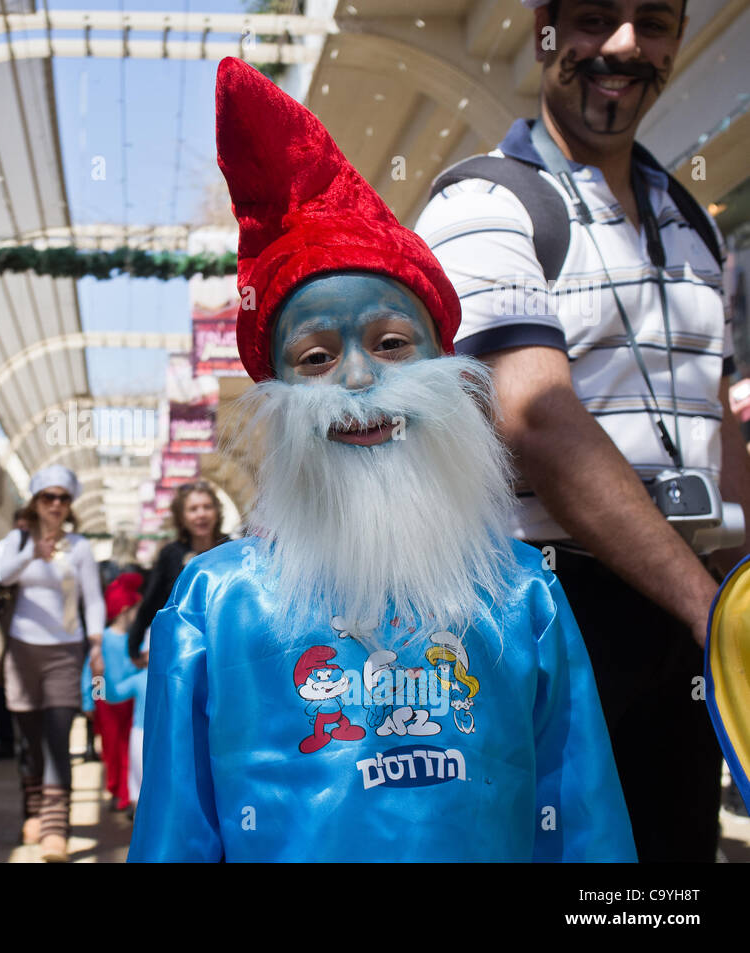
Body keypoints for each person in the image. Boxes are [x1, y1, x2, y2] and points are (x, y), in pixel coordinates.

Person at [127, 58, 635, 862]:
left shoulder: (525, 595)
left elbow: (585, 825)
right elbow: (176, 834)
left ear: (445, 367)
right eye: (319, 356)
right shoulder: (216, 603)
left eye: (393, 344)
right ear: (278, 395)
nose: (361, 379)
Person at [414, 0, 744, 862]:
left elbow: (717, 427)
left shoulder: (693, 219)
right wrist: (716, 613)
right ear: (544, 33)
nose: (627, 45)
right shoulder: (483, 199)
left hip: (684, 619)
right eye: (597, 16)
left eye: (656, 22)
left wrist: (735, 594)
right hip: (550, 613)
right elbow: (536, 421)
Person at [0, 465, 104, 862]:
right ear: (35, 502)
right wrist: (30, 554)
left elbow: (94, 599)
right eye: (47, 497)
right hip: (22, 651)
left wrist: (97, 645)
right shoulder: (17, 539)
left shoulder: (81, 547)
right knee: (30, 740)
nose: (55, 505)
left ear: (70, 505)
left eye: (62, 498)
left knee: (58, 737)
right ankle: (33, 808)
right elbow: (0, 574)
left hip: (66, 653)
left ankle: (57, 827)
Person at [127, 481, 228, 664]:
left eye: (207, 507)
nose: (201, 514)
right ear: (182, 517)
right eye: (193, 509)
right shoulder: (171, 554)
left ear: (216, 511)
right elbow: (153, 599)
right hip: (184, 647)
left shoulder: (231, 549)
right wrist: (135, 644)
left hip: (225, 643)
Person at [89, 573, 143, 812]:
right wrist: (93, 701)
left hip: (131, 701)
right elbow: (89, 673)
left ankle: (125, 793)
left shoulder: (135, 640)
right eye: (135, 610)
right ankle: (115, 788)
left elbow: (138, 666)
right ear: (124, 610)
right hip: (107, 705)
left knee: (127, 749)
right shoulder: (104, 640)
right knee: (111, 750)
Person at [0, 506, 30, 760]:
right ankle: (5, 740)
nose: (23, 530)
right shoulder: (2, 550)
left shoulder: (40, 551)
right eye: (20, 525)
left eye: (27, 525)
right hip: (2, 629)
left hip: (31, 633)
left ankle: (26, 741)